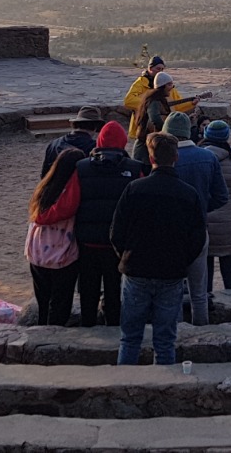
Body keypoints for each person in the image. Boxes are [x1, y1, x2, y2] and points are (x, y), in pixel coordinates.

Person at [112, 133, 207, 365]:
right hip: (171, 272)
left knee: (130, 338)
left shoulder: (134, 189)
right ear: (175, 157)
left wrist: (126, 256)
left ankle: (124, 385)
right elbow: (197, 237)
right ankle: (164, 388)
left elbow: (117, 232)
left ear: (150, 157)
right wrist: (182, 261)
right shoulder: (188, 194)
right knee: (165, 340)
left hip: (136, 269)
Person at [72, 121, 144, 327]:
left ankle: (88, 324)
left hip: (87, 241)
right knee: (114, 287)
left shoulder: (81, 168)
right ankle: (113, 324)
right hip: (117, 243)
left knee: (88, 287)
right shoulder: (134, 169)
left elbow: (72, 202)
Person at [162, 111, 228, 325]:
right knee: (199, 289)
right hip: (199, 229)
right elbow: (221, 196)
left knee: (173, 289)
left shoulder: (167, 160)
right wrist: (200, 209)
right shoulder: (207, 157)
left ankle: (179, 331)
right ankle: (202, 330)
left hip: (170, 231)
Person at [26, 148, 84, 325]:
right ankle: (54, 333)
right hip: (62, 252)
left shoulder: (44, 187)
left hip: (37, 251)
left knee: (43, 298)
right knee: (60, 300)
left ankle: (42, 327)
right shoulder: (71, 193)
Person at [200, 120, 231, 292]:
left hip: (204, 222)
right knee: (230, 275)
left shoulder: (200, 158)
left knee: (204, 278)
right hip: (228, 224)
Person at [130, 73, 198, 165]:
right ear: (162, 86)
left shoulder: (159, 100)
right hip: (144, 148)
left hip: (150, 144)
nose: (172, 87)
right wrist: (166, 131)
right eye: (169, 84)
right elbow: (154, 118)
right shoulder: (154, 101)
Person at [41, 106, 106, 175]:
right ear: (96, 127)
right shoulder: (95, 148)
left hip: (55, 184)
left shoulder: (54, 144)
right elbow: (100, 172)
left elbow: (44, 173)